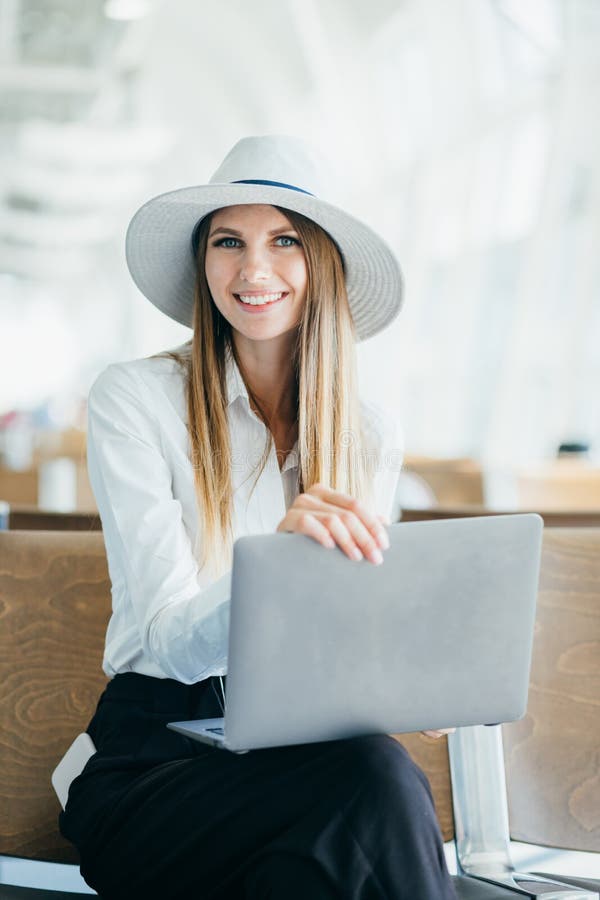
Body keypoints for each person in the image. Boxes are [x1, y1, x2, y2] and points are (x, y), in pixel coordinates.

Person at [59, 135, 457, 900]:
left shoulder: (368, 433)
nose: (253, 269)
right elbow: (165, 643)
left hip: (299, 751)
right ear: (203, 262)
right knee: (370, 791)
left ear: (323, 266)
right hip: (158, 761)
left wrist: (410, 680)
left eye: (284, 241)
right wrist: (270, 572)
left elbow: (343, 644)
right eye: (228, 242)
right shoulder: (134, 400)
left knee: (355, 804)